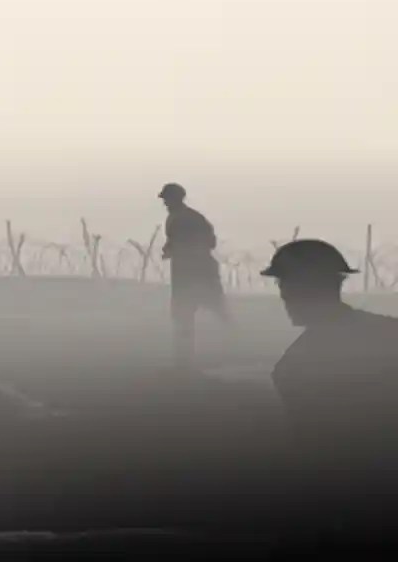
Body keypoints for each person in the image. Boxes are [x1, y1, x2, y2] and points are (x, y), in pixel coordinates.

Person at [262, 240, 398, 551]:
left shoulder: (296, 365)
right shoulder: (389, 333)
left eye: (286, 282)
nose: (282, 293)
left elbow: (314, 452)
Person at [158, 183, 230, 368]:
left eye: (167, 199)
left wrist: (180, 249)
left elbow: (205, 242)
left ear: (176, 199)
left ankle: (184, 361)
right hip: (191, 270)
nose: (165, 203)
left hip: (195, 271)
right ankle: (183, 361)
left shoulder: (184, 218)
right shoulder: (184, 217)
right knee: (188, 314)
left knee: (200, 312)